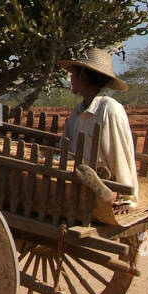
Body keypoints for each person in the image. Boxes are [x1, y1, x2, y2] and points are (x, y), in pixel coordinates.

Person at [59, 48, 139, 211]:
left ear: (83, 75)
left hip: (105, 186)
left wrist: (126, 197)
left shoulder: (109, 109)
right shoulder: (77, 112)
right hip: (78, 186)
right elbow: (65, 151)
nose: (70, 79)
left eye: (73, 74)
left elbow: (119, 155)